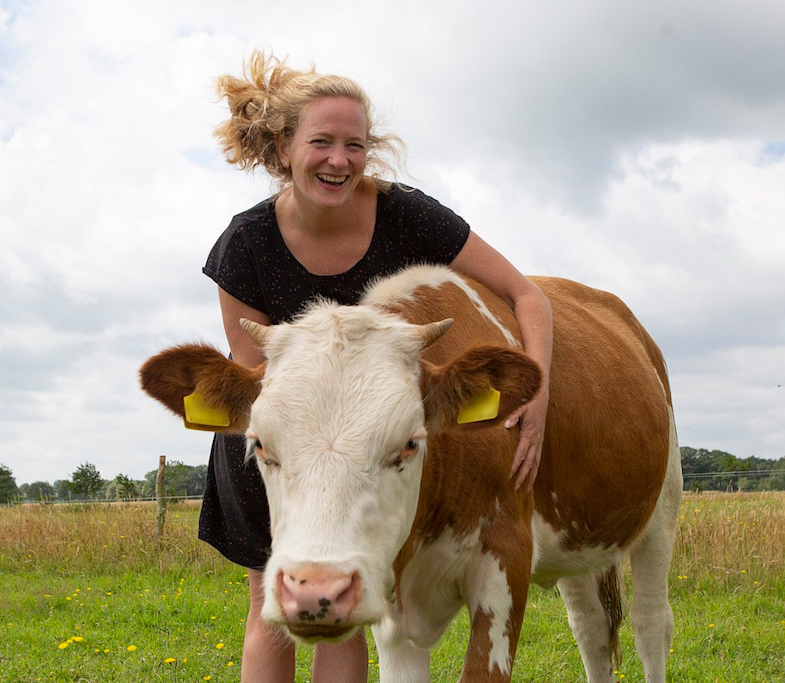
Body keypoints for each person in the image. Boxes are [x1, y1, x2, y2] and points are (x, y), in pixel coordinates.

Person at [197, 50, 553, 683]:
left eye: (354, 145)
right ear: (283, 148)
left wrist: (538, 394)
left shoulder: (405, 213)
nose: (339, 160)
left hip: (367, 441)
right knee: (270, 612)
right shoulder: (245, 243)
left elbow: (527, 295)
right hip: (284, 449)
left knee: (348, 608)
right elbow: (259, 382)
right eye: (321, 142)